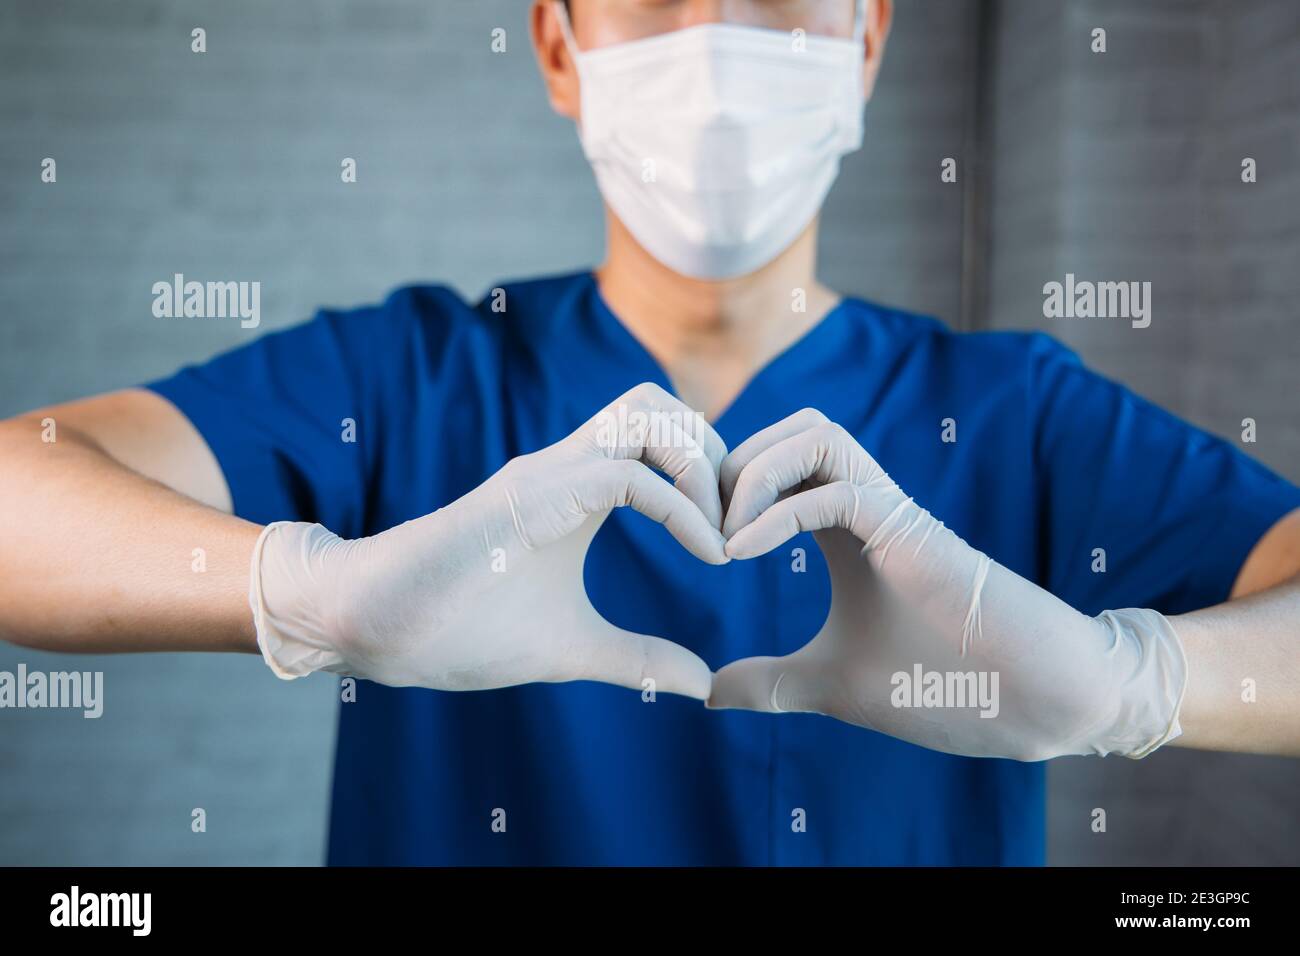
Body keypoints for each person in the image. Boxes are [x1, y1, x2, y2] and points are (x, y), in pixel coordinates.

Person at [1, 0, 1298, 866]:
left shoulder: (1019, 416)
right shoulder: (407, 374)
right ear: (559, 49)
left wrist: (1142, 684)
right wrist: (298, 596)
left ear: (866, 40)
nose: (720, 41)